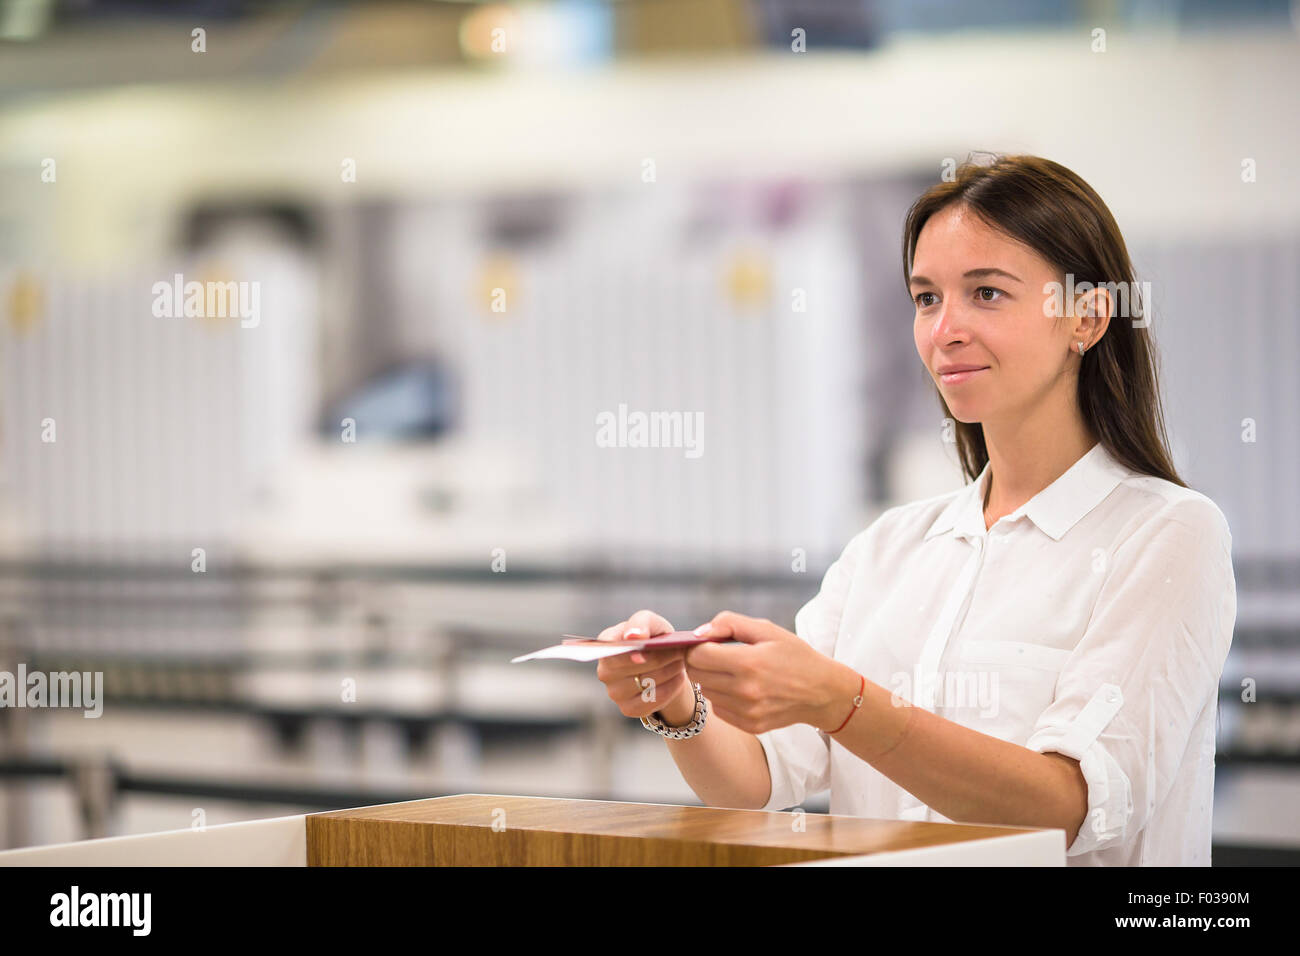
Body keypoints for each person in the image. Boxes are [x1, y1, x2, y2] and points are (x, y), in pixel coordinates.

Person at [593, 154, 1236, 866]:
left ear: (1085, 316)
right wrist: (675, 703)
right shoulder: (888, 549)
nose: (945, 330)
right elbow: (758, 777)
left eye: (986, 293)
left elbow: (1067, 807)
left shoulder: (1169, 535)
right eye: (927, 298)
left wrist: (843, 701)